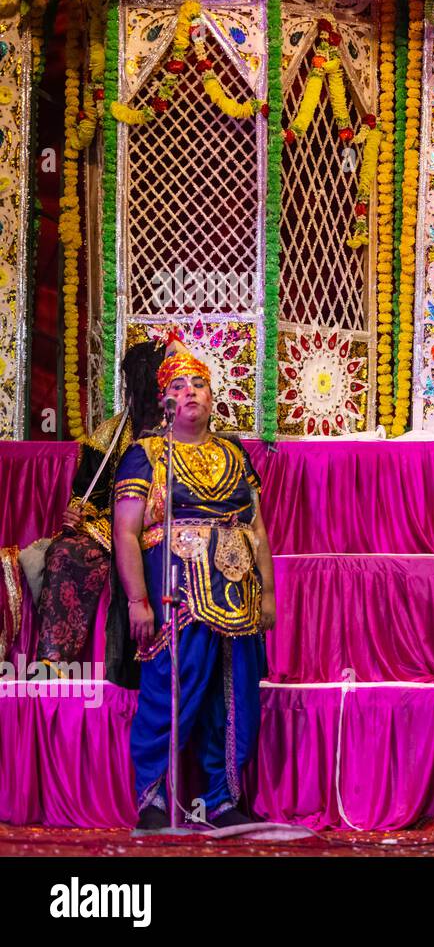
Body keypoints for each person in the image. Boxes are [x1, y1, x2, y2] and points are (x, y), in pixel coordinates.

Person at [112, 348, 275, 830]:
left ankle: (222, 799)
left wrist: (266, 594)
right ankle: (153, 798)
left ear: (212, 395)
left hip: (238, 593)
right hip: (178, 594)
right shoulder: (147, 454)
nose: (189, 394)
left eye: (197, 385)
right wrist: (138, 601)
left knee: (233, 700)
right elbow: (125, 531)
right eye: (178, 388)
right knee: (172, 693)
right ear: (165, 403)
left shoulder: (234, 453)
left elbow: (259, 530)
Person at [32, 341, 166, 676]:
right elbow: (86, 495)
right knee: (65, 552)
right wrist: (78, 512)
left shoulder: (183, 429)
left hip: (170, 526)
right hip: (114, 527)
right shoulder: (111, 432)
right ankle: (53, 661)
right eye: (133, 386)